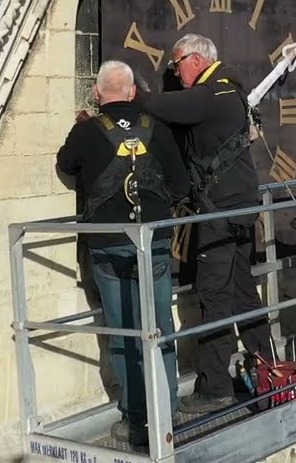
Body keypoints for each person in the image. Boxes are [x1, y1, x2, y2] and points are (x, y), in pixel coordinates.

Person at [137, 33, 273, 413]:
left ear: (196, 60)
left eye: (177, 63)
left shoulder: (213, 93)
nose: (175, 71)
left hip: (220, 211)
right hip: (237, 208)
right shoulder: (230, 89)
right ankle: (268, 370)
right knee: (244, 293)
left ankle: (215, 388)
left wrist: (133, 97)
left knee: (214, 296)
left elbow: (170, 106)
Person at [56, 60, 189, 447]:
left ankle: (135, 418)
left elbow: (66, 164)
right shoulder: (157, 128)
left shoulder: (86, 131)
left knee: (123, 330)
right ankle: (168, 410)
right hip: (155, 242)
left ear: (97, 93)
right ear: (132, 92)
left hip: (110, 245)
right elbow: (180, 185)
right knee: (160, 325)